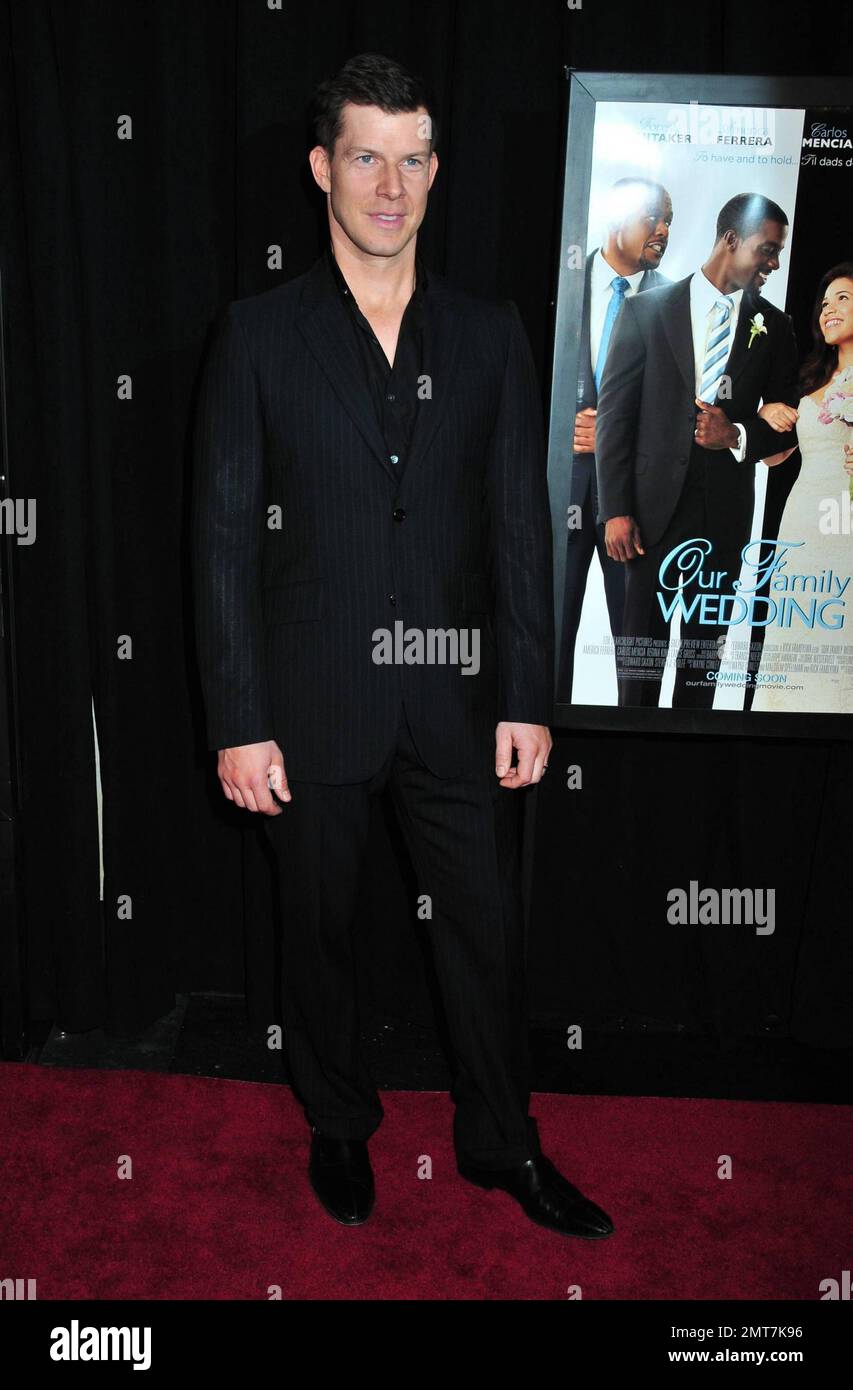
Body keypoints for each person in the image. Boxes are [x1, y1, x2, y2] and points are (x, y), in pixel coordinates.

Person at [191, 52, 613, 1240]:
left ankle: (500, 1142)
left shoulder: (489, 335)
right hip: (310, 698)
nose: (391, 185)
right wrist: (237, 717)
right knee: (316, 935)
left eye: (413, 157)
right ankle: (337, 1118)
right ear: (322, 167)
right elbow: (222, 538)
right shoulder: (257, 334)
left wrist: (528, 691)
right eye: (366, 156)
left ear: (435, 170)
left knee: (484, 931)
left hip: (457, 700)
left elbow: (519, 531)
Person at [596, 192, 800, 708]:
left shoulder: (776, 328)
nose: (774, 263)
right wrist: (615, 510)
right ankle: (631, 770)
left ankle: (685, 778)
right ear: (731, 240)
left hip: (724, 521)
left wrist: (735, 435)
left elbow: (785, 428)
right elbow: (616, 418)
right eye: (767, 250)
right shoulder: (646, 309)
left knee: (700, 671)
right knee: (638, 670)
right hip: (647, 522)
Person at [558, 178, 672, 699]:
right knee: (542, 645)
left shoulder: (677, 304)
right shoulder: (561, 288)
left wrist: (614, 431)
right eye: (653, 217)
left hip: (636, 510)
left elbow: (684, 408)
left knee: (640, 660)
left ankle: (640, 768)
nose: (664, 229)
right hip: (557, 497)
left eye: (669, 219)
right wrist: (562, 430)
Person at [752, 263, 853, 713]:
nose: (829, 310)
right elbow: (776, 457)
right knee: (797, 622)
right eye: (825, 302)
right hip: (801, 518)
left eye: (844, 299)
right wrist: (765, 413)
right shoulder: (813, 378)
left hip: (844, 523)